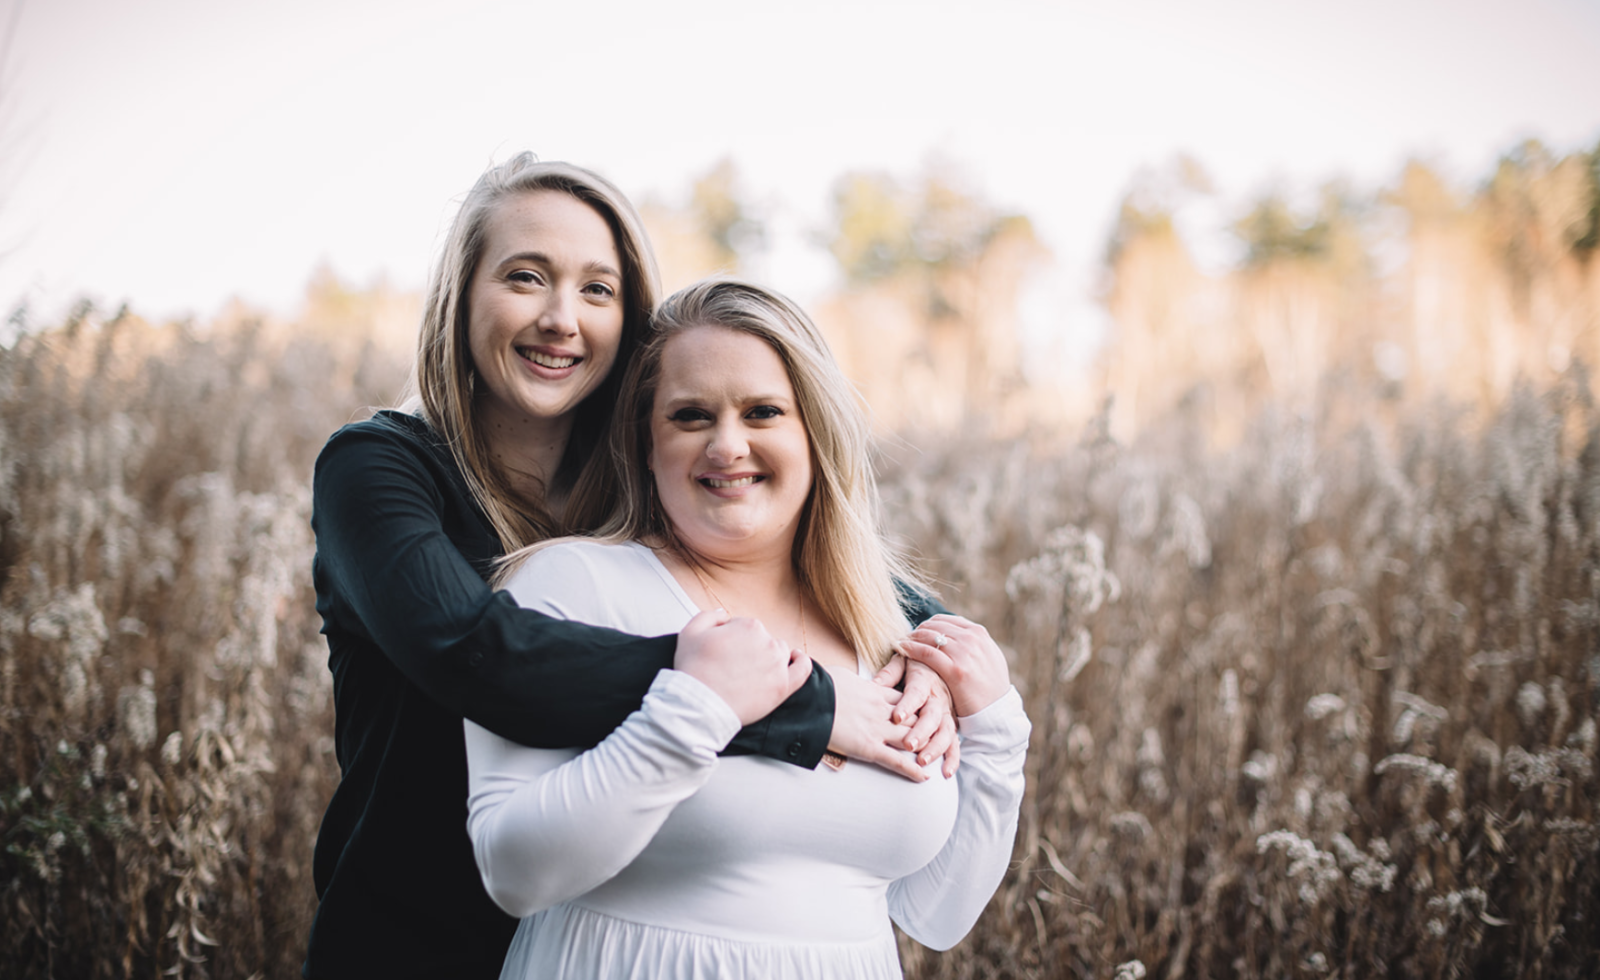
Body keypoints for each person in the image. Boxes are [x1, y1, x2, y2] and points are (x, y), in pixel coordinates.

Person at [303, 157, 958, 980]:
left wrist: (934, 650)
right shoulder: (380, 468)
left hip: (591, 938)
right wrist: (789, 698)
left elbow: (820, 565)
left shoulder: (641, 482)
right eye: (525, 278)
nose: (559, 318)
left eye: (597, 290)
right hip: (413, 939)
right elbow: (467, 648)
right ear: (461, 297)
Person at [465, 279, 1031, 979]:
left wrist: (997, 731)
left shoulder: (884, 632)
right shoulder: (573, 587)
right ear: (647, 443)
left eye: (763, 411)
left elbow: (936, 913)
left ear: (814, 433)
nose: (727, 445)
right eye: (691, 416)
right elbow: (513, 871)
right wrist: (698, 710)